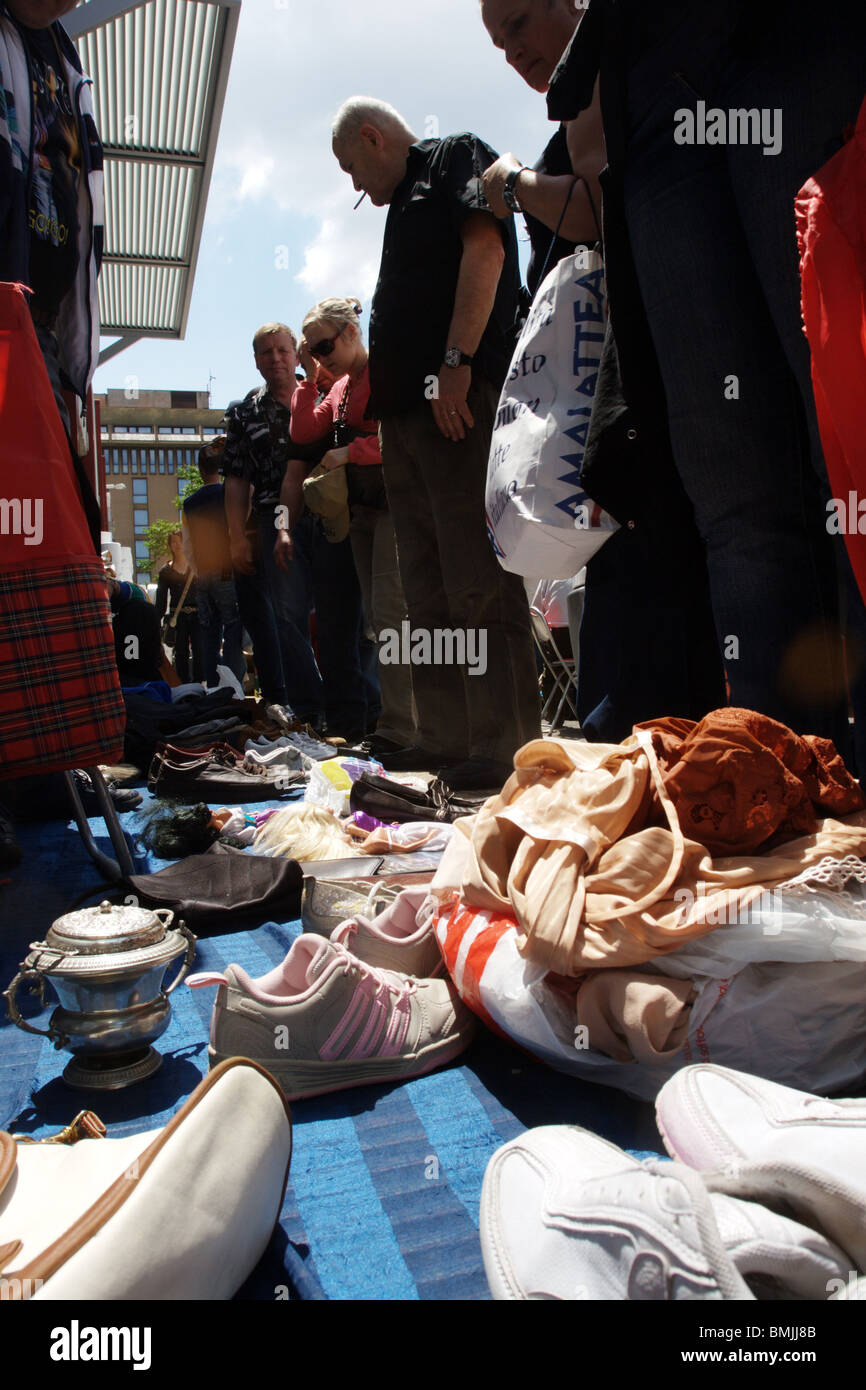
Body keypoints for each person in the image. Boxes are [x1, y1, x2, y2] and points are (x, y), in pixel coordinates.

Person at [546, 0, 866, 769]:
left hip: (783, 37)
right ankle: (781, 793)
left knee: (847, 444)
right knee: (732, 490)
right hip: (653, 75)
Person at [479, 0, 725, 744]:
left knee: (650, 571)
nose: (512, 52)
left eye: (519, 23)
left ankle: (645, 752)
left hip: (644, 392)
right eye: (497, 42)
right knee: (626, 573)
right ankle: (637, 750)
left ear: (571, 6)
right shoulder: (578, 105)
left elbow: (595, 206)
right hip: (620, 405)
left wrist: (518, 184)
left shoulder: (603, 74)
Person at [331, 96, 541, 790]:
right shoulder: (399, 209)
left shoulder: (455, 155)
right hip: (406, 423)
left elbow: (486, 249)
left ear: (372, 136)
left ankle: (504, 744)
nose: (355, 186)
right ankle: (447, 738)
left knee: (476, 579)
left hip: (452, 400)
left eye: (351, 168)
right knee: (426, 591)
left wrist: (455, 363)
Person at [222, 323, 368, 738]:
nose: (276, 358)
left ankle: (357, 709)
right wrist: (235, 536)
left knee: (345, 615)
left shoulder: (329, 393)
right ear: (256, 361)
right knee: (288, 617)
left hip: (330, 514)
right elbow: (235, 479)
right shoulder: (244, 412)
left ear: (295, 352)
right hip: (276, 519)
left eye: (282, 350)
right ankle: (309, 709)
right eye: (266, 352)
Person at [291, 296, 416, 759]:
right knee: (376, 622)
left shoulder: (384, 369)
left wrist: (350, 453)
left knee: (390, 616)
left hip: (392, 504)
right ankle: (397, 724)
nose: (320, 356)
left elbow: (402, 436)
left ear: (350, 332)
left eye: (323, 346)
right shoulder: (340, 385)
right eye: (312, 349)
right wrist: (309, 377)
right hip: (359, 511)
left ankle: (405, 727)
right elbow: (304, 431)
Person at [183, 438, 246, 688]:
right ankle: (233, 687)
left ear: (200, 470)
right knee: (233, 630)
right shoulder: (229, 495)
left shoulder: (189, 505)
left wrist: (199, 570)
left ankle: (212, 684)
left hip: (203, 576)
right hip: (227, 572)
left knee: (209, 634)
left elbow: (188, 547)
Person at [155, 531, 201, 684]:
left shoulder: (195, 566)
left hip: (197, 614)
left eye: (180, 541)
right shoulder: (165, 571)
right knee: (180, 652)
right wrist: (157, 621)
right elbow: (161, 601)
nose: (177, 545)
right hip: (177, 617)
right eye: (173, 542)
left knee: (199, 651)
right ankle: (183, 685)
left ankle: (200, 683)